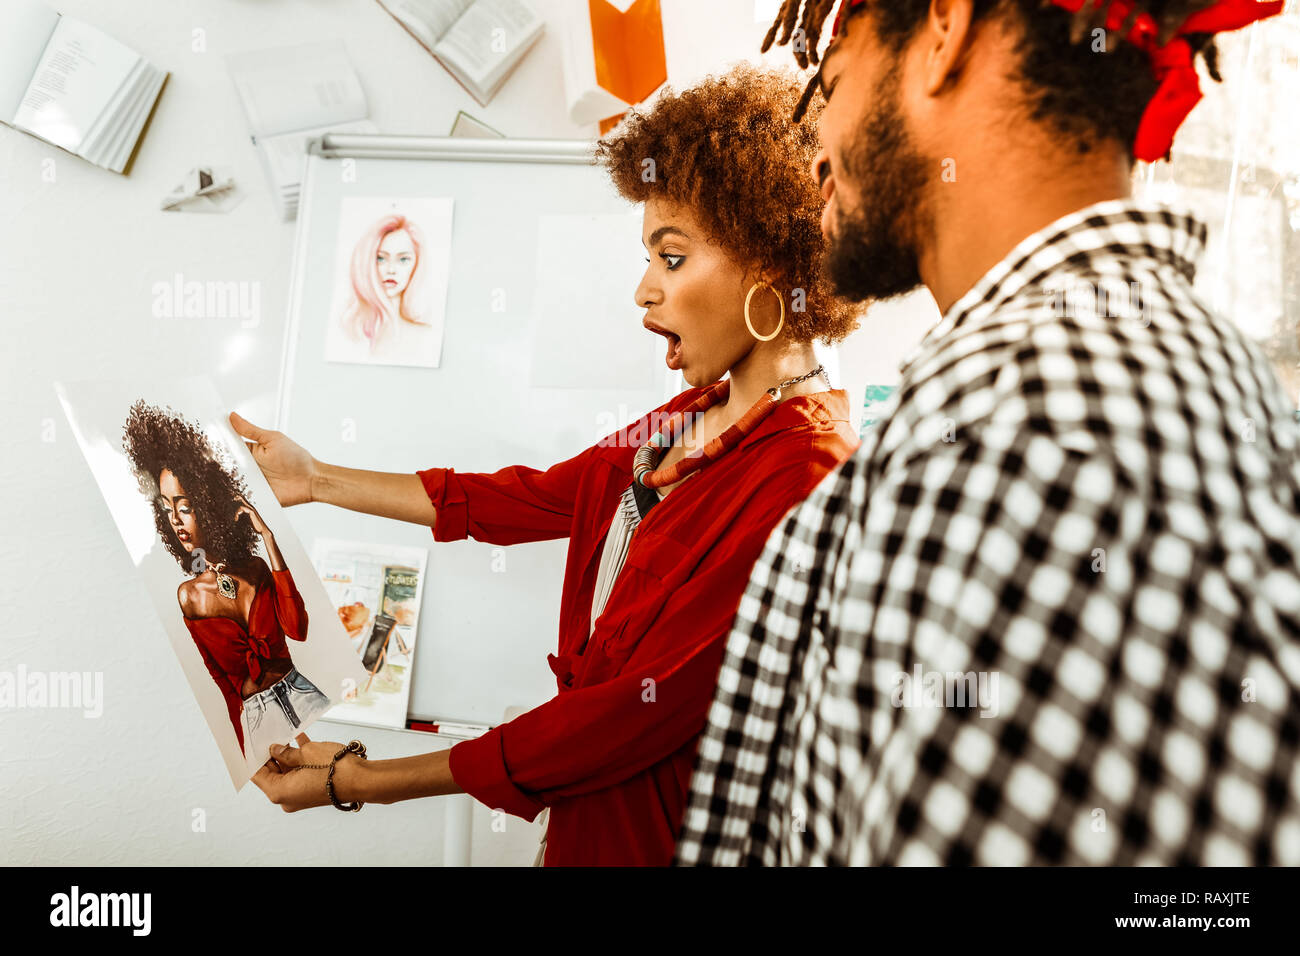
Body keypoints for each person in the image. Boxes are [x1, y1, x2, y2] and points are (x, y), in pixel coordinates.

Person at [676, 0, 1300, 865]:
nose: (814, 151)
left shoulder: (1031, 421)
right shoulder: (1104, 381)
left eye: (831, 83)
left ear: (945, 29)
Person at [241, 63, 865, 865]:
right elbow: (521, 501)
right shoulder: (685, 419)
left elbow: (617, 721)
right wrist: (316, 480)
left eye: (672, 258)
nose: (643, 290)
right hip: (579, 831)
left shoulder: (808, 476)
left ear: (768, 262)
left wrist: (357, 779)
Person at [121, 400, 331, 763]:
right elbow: (221, 681)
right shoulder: (189, 597)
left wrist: (268, 538)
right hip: (258, 717)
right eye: (167, 508)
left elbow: (298, 630)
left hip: (303, 694)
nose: (175, 519)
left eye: (185, 506)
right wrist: (245, 752)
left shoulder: (256, 569)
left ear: (209, 505)